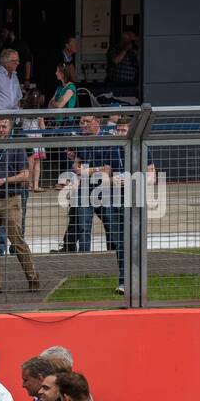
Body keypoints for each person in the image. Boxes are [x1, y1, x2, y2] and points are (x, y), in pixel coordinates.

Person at [0, 117, 40, 292]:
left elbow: (25, 175)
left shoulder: (17, 147)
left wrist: (3, 180)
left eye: (4, 126)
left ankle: (32, 276)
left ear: (10, 128)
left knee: (16, 240)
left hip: (10, 198)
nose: (1, 129)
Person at [65, 114, 127, 294]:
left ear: (97, 122)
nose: (83, 124)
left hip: (105, 190)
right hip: (86, 190)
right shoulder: (81, 141)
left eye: (87, 122)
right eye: (81, 121)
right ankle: (85, 259)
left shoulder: (108, 141)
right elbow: (76, 168)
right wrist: (89, 171)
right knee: (83, 224)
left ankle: (113, 254)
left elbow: (107, 170)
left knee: (112, 225)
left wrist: (89, 170)